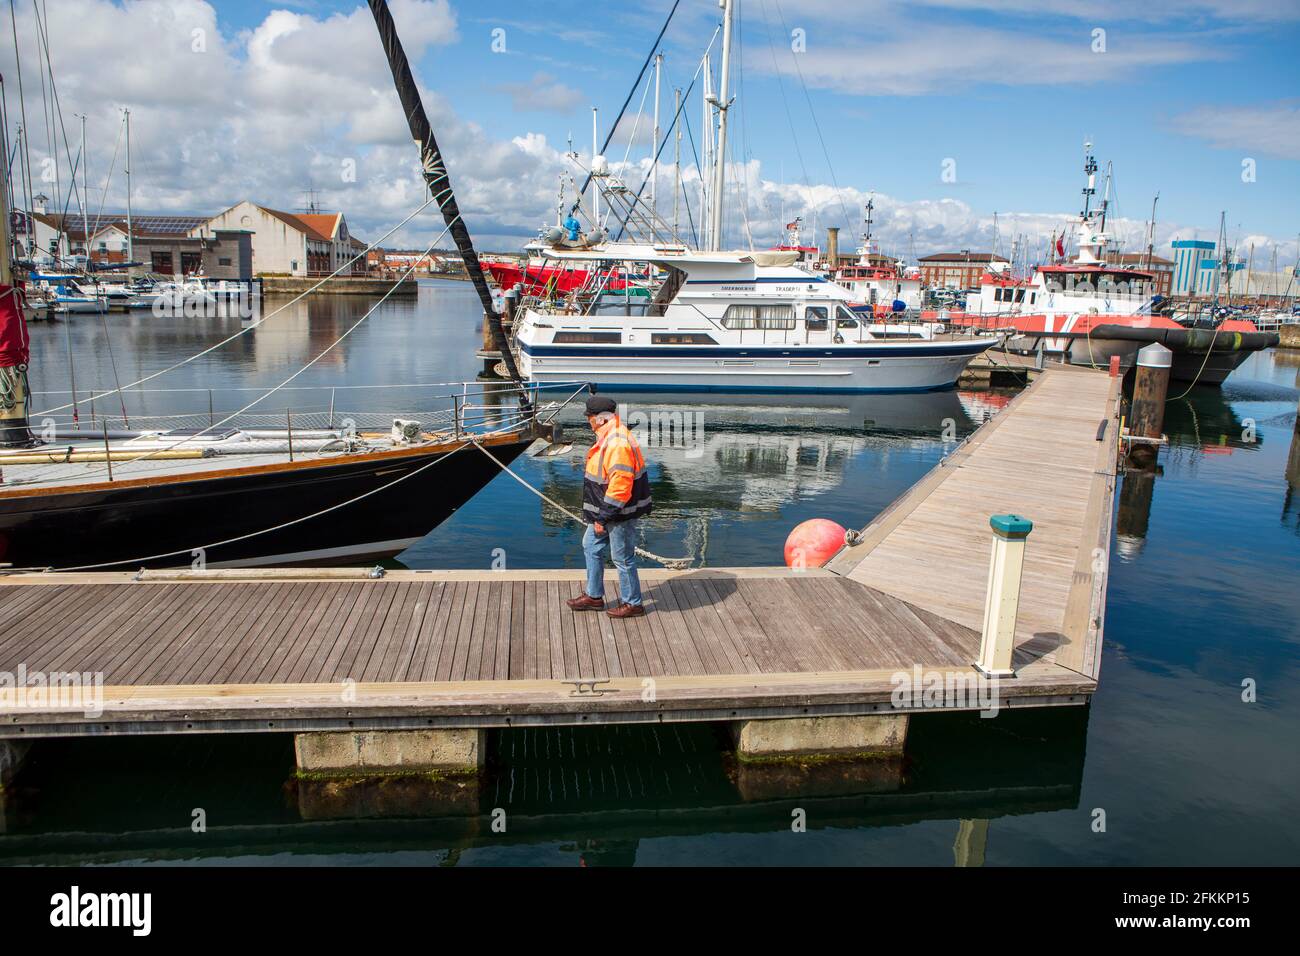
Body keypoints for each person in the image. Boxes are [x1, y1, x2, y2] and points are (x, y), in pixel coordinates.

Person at [566, 394, 652, 618]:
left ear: (601, 418)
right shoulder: (609, 435)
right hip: (605, 511)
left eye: (590, 417)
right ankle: (594, 596)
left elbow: (620, 486)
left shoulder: (616, 443)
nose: (588, 421)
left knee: (622, 557)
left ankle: (633, 603)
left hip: (617, 512)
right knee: (590, 546)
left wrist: (603, 517)